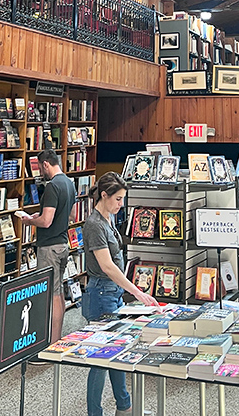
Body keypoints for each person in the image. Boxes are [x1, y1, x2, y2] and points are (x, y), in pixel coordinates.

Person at [82, 172, 159, 416]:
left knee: (117, 351)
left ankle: (124, 407)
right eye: (117, 199)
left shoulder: (108, 219)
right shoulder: (94, 224)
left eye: (122, 199)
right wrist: (136, 292)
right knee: (99, 359)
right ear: (103, 196)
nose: (121, 204)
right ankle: (95, 413)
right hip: (101, 293)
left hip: (112, 292)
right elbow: (106, 265)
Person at [16, 149, 76, 342]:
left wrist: (29, 221)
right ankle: (56, 338)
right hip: (62, 244)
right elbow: (72, 216)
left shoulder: (53, 187)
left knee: (51, 293)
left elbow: (47, 221)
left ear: (45, 165)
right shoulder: (69, 183)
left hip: (49, 246)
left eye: (41, 168)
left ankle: (52, 341)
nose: (41, 172)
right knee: (59, 292)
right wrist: (40, 216)